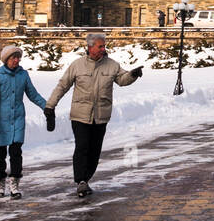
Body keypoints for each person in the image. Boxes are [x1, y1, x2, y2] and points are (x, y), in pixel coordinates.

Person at [45, 32, 143, 197]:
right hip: (80, 115)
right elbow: (62, 86)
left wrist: (133, 75)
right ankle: (81, 181)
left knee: (94, 150)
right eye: (100, 46)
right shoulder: (77, 65)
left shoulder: (112, 65)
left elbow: (122, 80)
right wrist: (50, 106)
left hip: (101, 115)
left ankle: (86, 178)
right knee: (82, 146)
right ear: (90, 47)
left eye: (104, 46)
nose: (103, 49)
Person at [0, 45, 49, 198]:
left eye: (18, 57)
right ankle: (0, 183)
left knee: (16, 153)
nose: (16, 60)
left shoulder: (23, 75)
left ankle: (14, 183)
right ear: (6, 59)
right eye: (13, 57)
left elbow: (33, 94)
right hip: (1, 120)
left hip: (18, 119)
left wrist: (47, 107)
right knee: (0, 155)